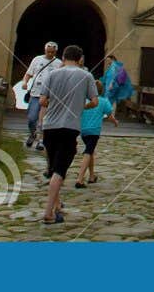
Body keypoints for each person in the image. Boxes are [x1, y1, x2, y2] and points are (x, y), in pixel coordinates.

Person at [37, 45, 97, 224]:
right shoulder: (86, 76)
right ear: (80, 59)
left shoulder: (52, 74)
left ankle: (56, 207)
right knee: (60, 171)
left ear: (63, 57)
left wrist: (55, 105)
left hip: (49, 127)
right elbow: (94, 101)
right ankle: (48, 213)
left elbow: (42, 100)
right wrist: (80, 107)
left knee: (54, 167)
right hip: (69, 127)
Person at [20, 41, 60, 149]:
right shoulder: (37, 60)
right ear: (45, 50)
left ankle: (41, 140)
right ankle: (32, 134)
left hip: (49, 96)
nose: (50, 54)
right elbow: (28, 73)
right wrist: (24, 82)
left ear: (55, 51)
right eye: (48, 52)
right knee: (32, 118)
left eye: (52, 52)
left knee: (44, 120)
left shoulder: (59, 64)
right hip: (35, 93)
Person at [74, 89, 116, 188]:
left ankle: (92, 176)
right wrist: (115, 122)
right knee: (88, 152)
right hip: (94, 131)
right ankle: (80, 179)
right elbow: (110, 115)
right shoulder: (103, 101)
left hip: (83, 130)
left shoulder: (84, 101)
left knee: (91, 151)